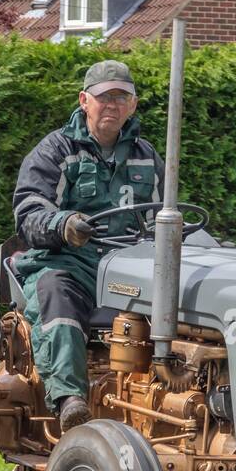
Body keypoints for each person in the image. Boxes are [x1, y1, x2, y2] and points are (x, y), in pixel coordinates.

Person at [11, 60, 165, 430]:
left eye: (121, 97)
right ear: (84, 100)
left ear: (133, 105)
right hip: (69, 263)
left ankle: (166, 406)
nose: (111, 104)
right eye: (102, 97)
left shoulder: (147, 156)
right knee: (54, 292)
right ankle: (70, 400)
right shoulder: (56, 150)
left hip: (129, 268)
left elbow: (162, 217)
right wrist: (62, 224)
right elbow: (29, 207)